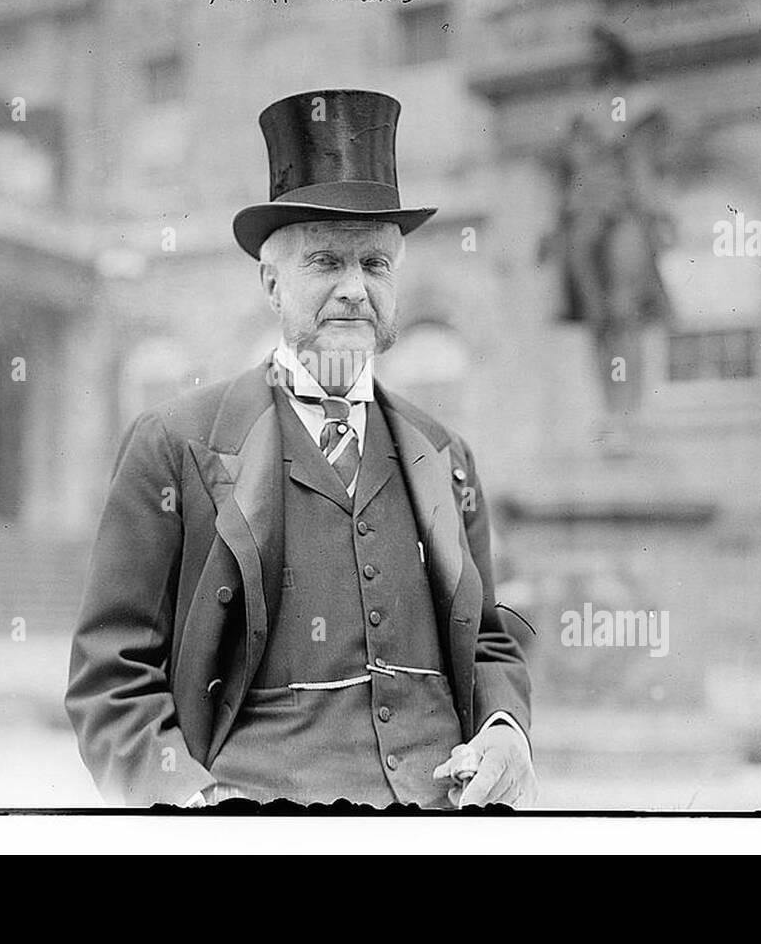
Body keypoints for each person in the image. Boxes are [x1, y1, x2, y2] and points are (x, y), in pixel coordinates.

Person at [66, 89, 534, 808]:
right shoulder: (175, 444)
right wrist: (188, 806)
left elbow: (491, 641)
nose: (354, 290)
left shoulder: (445, 455)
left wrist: (504, 728)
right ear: (271, 283)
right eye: (326, 261)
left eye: (375, 265)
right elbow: (111, 676)